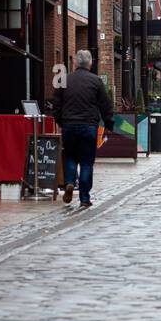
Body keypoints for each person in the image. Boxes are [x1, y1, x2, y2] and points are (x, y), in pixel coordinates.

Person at [51, 49, 114, 209]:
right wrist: (108, 123)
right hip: (89, 126)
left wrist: (59, 121)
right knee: (87, 161)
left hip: (69, 125)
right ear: (90, 63)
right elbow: (105, 105)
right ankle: (84, 197)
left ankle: (70, 182)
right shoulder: (96, 81)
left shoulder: (63, 80)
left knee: (70, 157)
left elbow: (56, 104)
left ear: (74, 63)